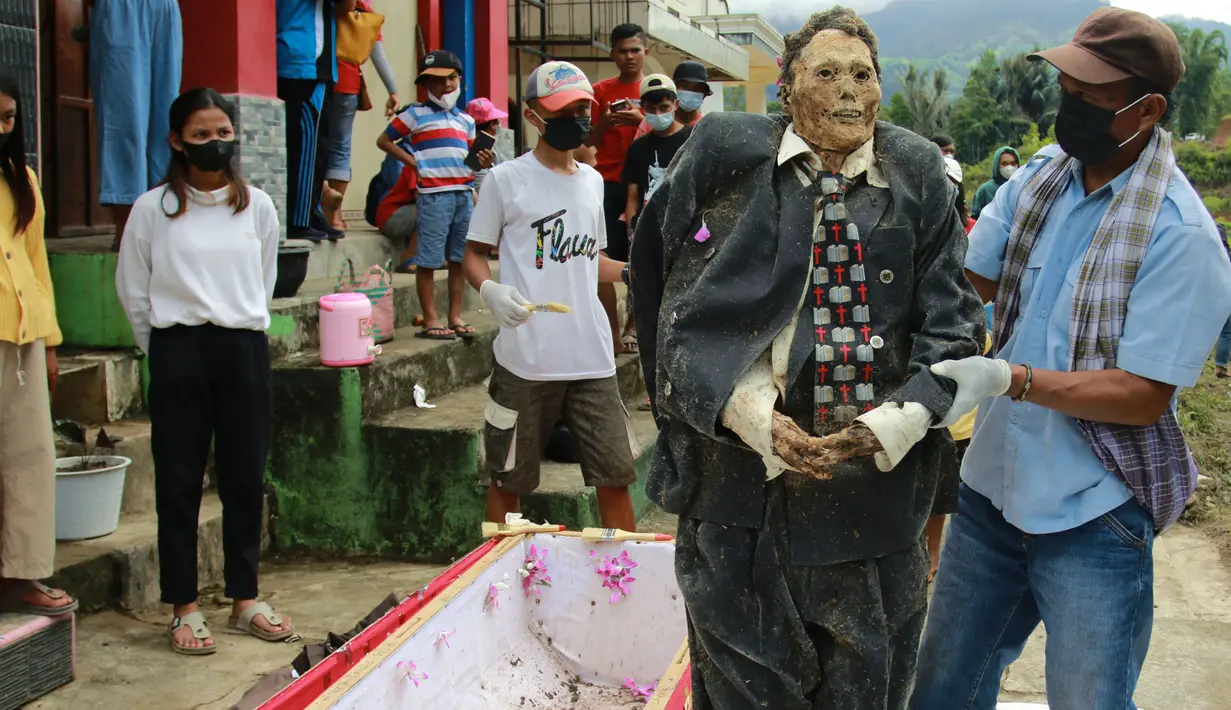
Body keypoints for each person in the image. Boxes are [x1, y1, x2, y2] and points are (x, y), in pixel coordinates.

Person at [631, 8, 984, 708]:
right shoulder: (724, 156)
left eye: (862, 75)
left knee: (868, 684)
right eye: (826, 73)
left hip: (872, 504)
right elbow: (667, 304)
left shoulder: (916, 172)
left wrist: (892, 423)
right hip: (736, 494)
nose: (848, 91)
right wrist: (749, 413)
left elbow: (954, 326)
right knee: (741, 684)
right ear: (787, 88)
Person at [911, 9, 1231, 708]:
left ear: (1147, 110)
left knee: (1089, 699)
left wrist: (1009, 377)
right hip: (991, 494)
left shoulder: (1179, 235)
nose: (1070, 106)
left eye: (1091, 96)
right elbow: (970, 281)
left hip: (1092, 511)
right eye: (1066, 90)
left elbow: (1142, 395)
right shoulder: (1042, 180)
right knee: (941, 690)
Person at [116, 88, 294, 656]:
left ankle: (245, 598)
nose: (214, 143)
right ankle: (184, 607)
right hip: (178, 350)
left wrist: (238, 324)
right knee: (178, 481)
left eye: (223, 133)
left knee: (244, 475)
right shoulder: (153, 210)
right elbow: (133, 289)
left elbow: (263, 279)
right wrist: (162, 350)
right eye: (201, 135)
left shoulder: (256, 206)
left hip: (242, 349)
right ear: (177, 141)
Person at [462, 61, 638, 532]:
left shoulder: (592, 181)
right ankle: (501, 569)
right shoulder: (505, 180)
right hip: (525, 361)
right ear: (533, 116)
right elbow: (472, 254)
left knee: (616, 476)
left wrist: (633, 272)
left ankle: (624, 571)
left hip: (591, 359)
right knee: (508, 479)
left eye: (583, 109)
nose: (577, 119)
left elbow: (590, 260)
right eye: (563, 111)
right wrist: (490, 289)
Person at [0, 72, 78, 618]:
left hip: (22, 338)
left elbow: (36, 263)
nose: (1, 128)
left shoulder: (22, 179)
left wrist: (50, 342)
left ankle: (21, 574)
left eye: (7, 118)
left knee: (29, 458)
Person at [377, 50, 492, 341]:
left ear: (460, 80)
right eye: (438, 80)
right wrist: (413, 162)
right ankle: (430, 318)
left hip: (463, 194)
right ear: (426, 84)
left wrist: (483, 161)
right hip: (434, 195)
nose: (447, 85)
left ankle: (455, 315)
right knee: (428, 260)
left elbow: (469, 159)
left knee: (459, 259)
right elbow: (384, 140)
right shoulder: (415, 114)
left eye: (452, 78)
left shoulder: (466, 120)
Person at [88, 0, 183, 252]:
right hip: (120, 8)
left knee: (166, 119)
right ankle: (127, 232)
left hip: (165, 8)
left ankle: (161, 223)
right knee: (123, 119)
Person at [587, 23, 647, 356]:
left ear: (645, 52)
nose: (629, 56)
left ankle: (633, 327)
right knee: (604, 258)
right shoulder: (600, 90)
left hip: (646, 183)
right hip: (608, 184)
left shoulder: (655, 88)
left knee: (641, 255)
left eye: (635, 50)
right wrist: (604, 123)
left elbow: (670, 130)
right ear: (613, 54)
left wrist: (641, 120)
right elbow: (588, 141)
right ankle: (609, 331)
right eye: (622, 51)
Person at [277, 0, 355, 241]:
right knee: (306, 147)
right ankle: (299, 219)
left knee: (318, 149)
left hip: (313, 61)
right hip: (304, 60)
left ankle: (311, 212)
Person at [320, 0, 400, 233]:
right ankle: (335, 215)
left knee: (314, 143)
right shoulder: (365, 11)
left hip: (319, 80)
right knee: (341, 147)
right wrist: (392, 91)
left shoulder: (326, 5)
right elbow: (378, 55)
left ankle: (319, 198)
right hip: (348, 86)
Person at [633, 60, 711, 139]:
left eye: (697, 88)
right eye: (684, 86)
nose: (690, 92)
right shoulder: (653, 122)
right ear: (674, 89)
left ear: (704, 95)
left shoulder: (707, 127)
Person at [465, 97, 510, 195]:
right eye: (496, 122)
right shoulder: (483, 152)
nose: (499, 125)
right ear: (492, 124)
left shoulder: (465, 146)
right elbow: (481, 187)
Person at [970, 146, 1020, 220]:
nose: (1009, 167)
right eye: (1004, 164)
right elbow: (975, 218)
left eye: (1013, 163)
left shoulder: (1023, 187)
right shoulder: (985, 190)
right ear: (997, 165)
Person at [1215, 223, 1231, 379]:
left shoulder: (1210, 252)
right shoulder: (1227, 253)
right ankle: (1220, 367)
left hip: (1209, 296)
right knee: (1227, 332)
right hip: (1227, 296)